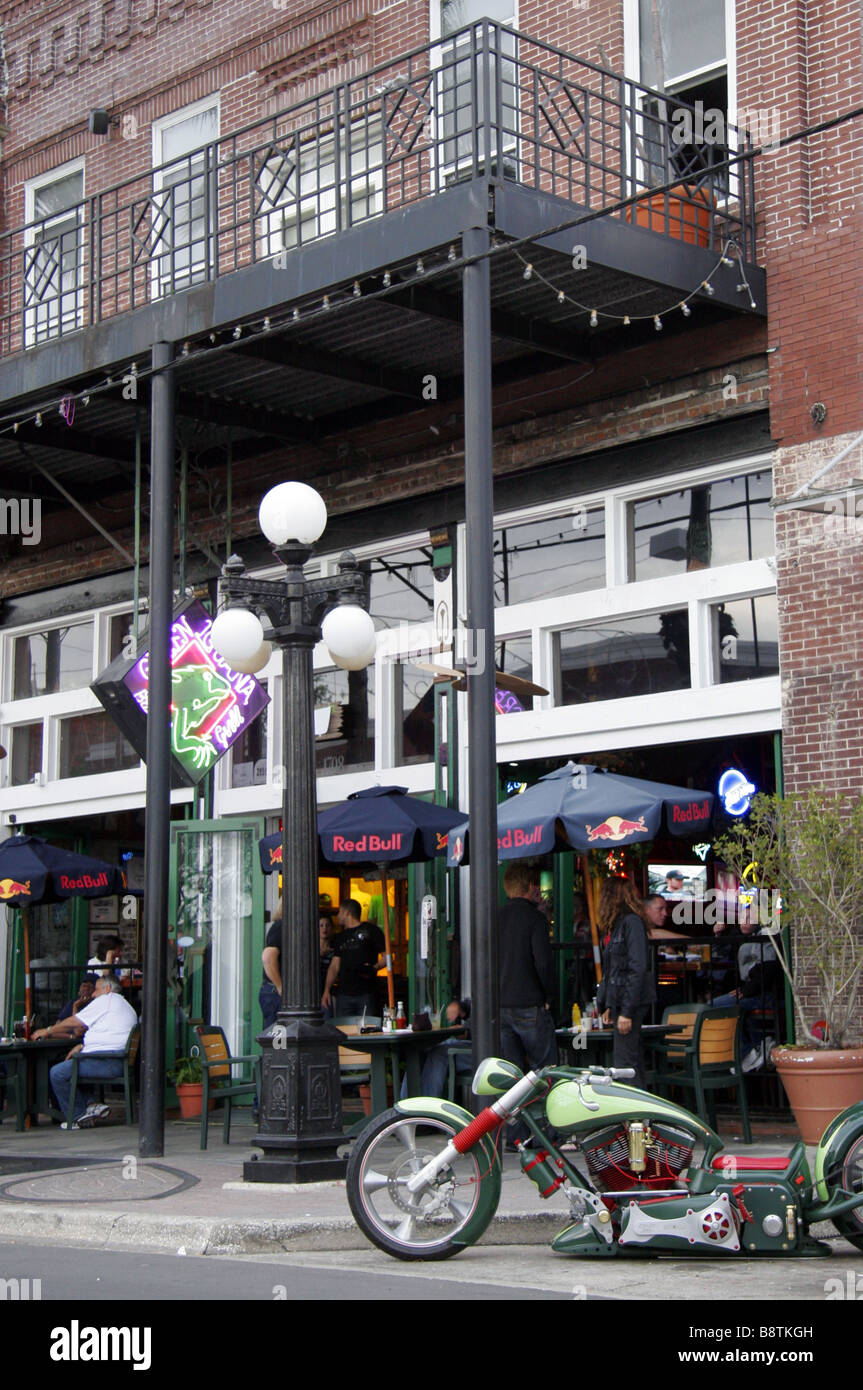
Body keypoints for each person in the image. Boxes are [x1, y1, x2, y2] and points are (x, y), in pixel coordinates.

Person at [32, 976, 138, 1129]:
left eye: (96, 989)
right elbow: (105, 1032)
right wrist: (82, 1046)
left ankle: (77, 1116)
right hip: (114, 1060)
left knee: (57, 1073)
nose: (94, 994)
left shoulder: (107, 1000)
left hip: (107, 1061)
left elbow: (76, 1022)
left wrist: (48, 1031)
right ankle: (91, 1105)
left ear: (108, 989)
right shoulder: (123, 1004)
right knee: (71, 1064)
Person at [596, 877, 656, 1090]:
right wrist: (611, 1005)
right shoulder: (624, 924)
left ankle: (635, 1117)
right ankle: (640, 1117)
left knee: (625, 1065)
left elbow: (636, 968)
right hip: (624, 1002)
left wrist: (626, 1012)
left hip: (629, 1004)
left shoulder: (629, 923)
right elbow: (618, 970)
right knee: (631, 1061)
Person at [498, 863, 557, 1077]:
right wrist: (549, 994)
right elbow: (543, 962)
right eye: (536, 885)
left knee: (511, 1076)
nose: (539, 890)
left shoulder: (495, 918)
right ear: (530, 887)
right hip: (530, 1004)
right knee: (543, 1072)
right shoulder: (535, 919)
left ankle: (515, 1111)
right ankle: (541, 1110)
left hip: (501, 1006)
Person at [712, 914, 781, 1070]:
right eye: (742, 918)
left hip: (763, 994)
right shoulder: (739, 937)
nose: (744, 922)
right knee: (730, 1009)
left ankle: (748, 1051)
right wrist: (718, 935)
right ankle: (757, 1047)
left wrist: (747, 990)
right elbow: (720, 953)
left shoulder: (766, 938)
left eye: (749, 918)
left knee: (713, 1007)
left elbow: (769, 970)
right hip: (748, 992)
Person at [322, 900, 385, 1017]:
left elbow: (388, 957)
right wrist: (326, 990)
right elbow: (334, 966)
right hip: (344, 994)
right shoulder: (340, 937)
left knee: (367, 1030)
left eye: (340, 912)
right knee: (345, 1030)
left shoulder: (371, 930)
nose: (337, 916)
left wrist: (373, 968)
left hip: (367, 993)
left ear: (347, 913)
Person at [400, 998, 472, 1099]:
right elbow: (474, 1007)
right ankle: (405, 1107)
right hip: (469, 1042)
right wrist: (460, 1006)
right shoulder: (484, 987)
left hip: (488, 1050)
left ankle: (428, 1109)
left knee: (439, 1053)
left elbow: (496, 1024)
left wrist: (467, 1031)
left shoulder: (498, 990)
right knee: (422, 1049)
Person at [259, 898, 283, 1030]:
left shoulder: (280, 926)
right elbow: (268, 957)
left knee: (280, 1039)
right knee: (277, 1040)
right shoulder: (281, 926)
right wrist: (280, 987)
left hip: (274, 992)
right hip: (275, 993)